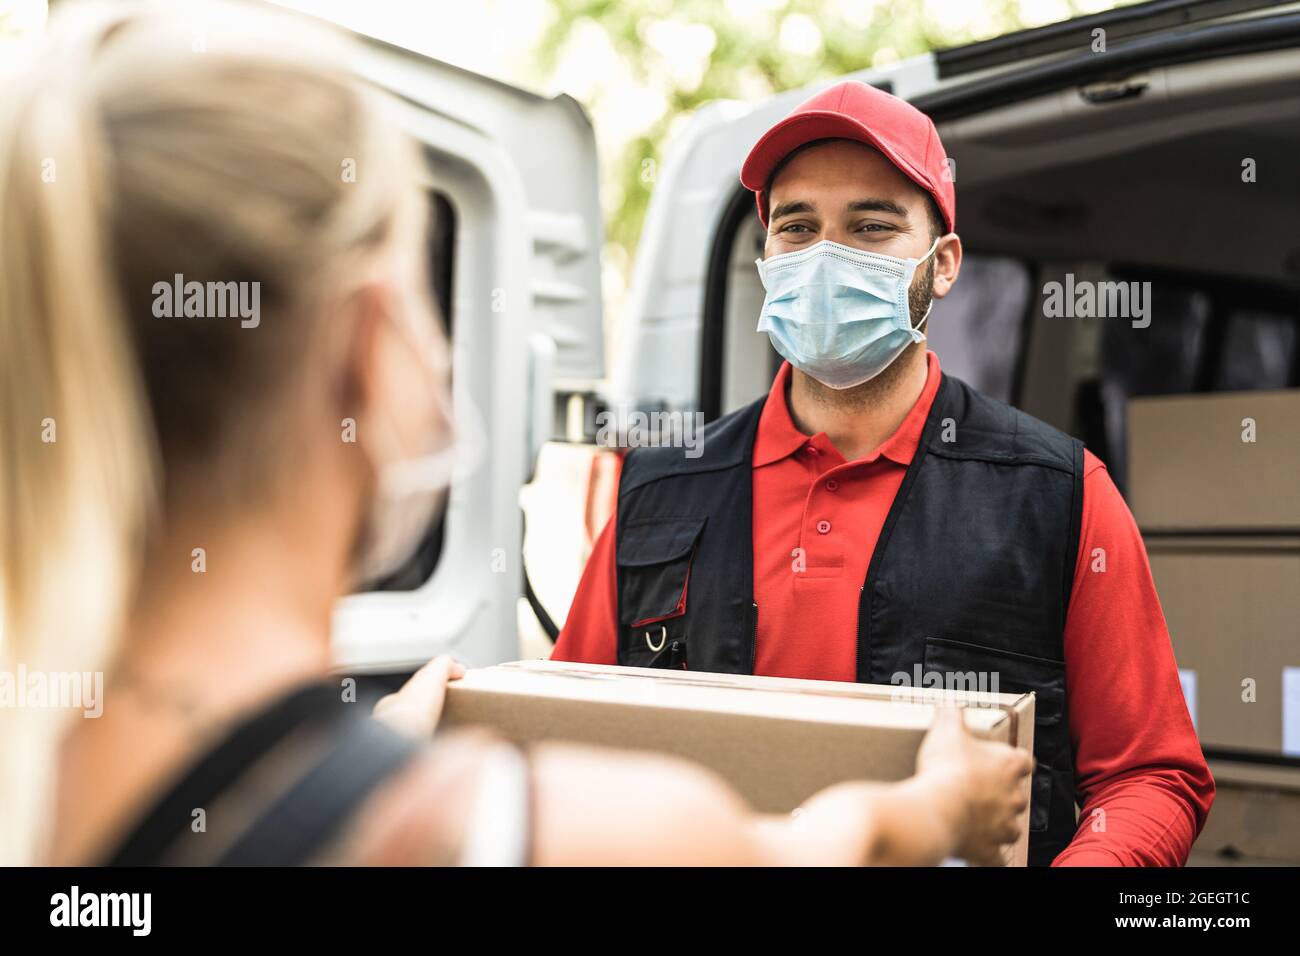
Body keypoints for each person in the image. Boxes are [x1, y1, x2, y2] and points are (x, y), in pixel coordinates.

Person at [0, 1, 1030, 867]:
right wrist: (934, 808)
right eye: (422, 290)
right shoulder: (495, 827)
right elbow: (793, 848)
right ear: (369, 345)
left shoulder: (43, 764)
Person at [553, 80, 1216, 866]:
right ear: (767, 260)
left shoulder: (1059, 492)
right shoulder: (653, 493)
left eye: (870, 226)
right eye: (797, 228)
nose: (826, 256)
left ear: (942, 265)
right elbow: (566, 738)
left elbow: (1152, 776)